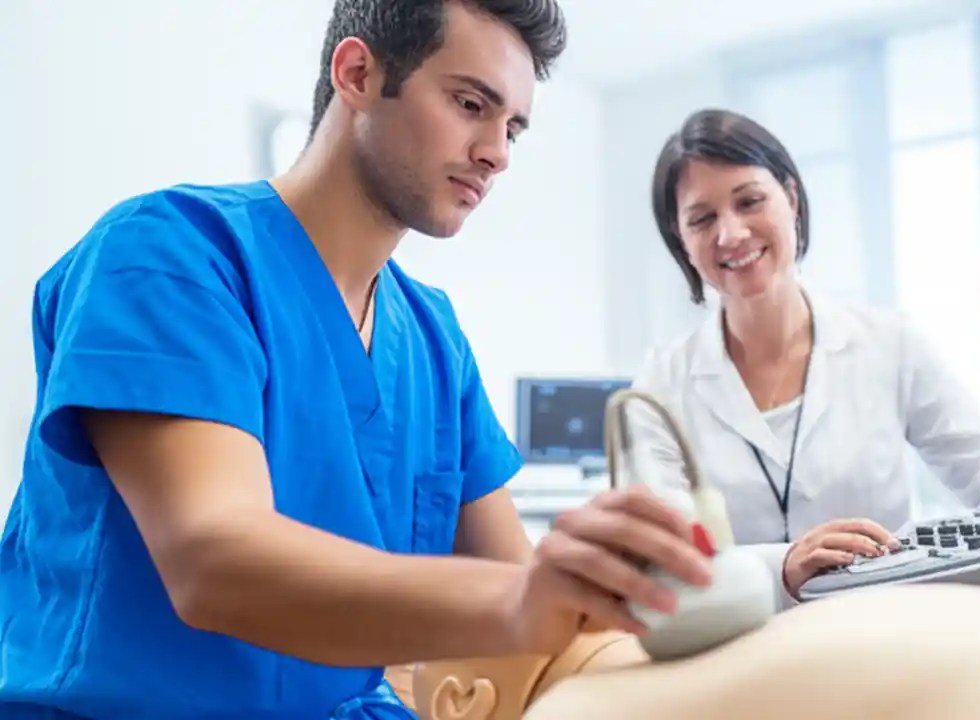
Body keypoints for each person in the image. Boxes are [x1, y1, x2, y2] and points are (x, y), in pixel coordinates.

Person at [0, 2, 714, 719]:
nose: (497, 153)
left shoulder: (431, 336)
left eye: (513, 129)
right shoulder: (169, 257)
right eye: (471, 105)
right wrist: (523, 599)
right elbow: (213, 563)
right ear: (358, 74)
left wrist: (628, 592)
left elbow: (520, 586)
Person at [631, 108, 980, 606]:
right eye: (703, 219)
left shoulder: (890, 343)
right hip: (742, 639)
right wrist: (782, 567)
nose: (731, 233)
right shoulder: (660, 385)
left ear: (790, 199)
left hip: (888, 622)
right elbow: (659, 557)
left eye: (749, 201)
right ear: (681, 239)